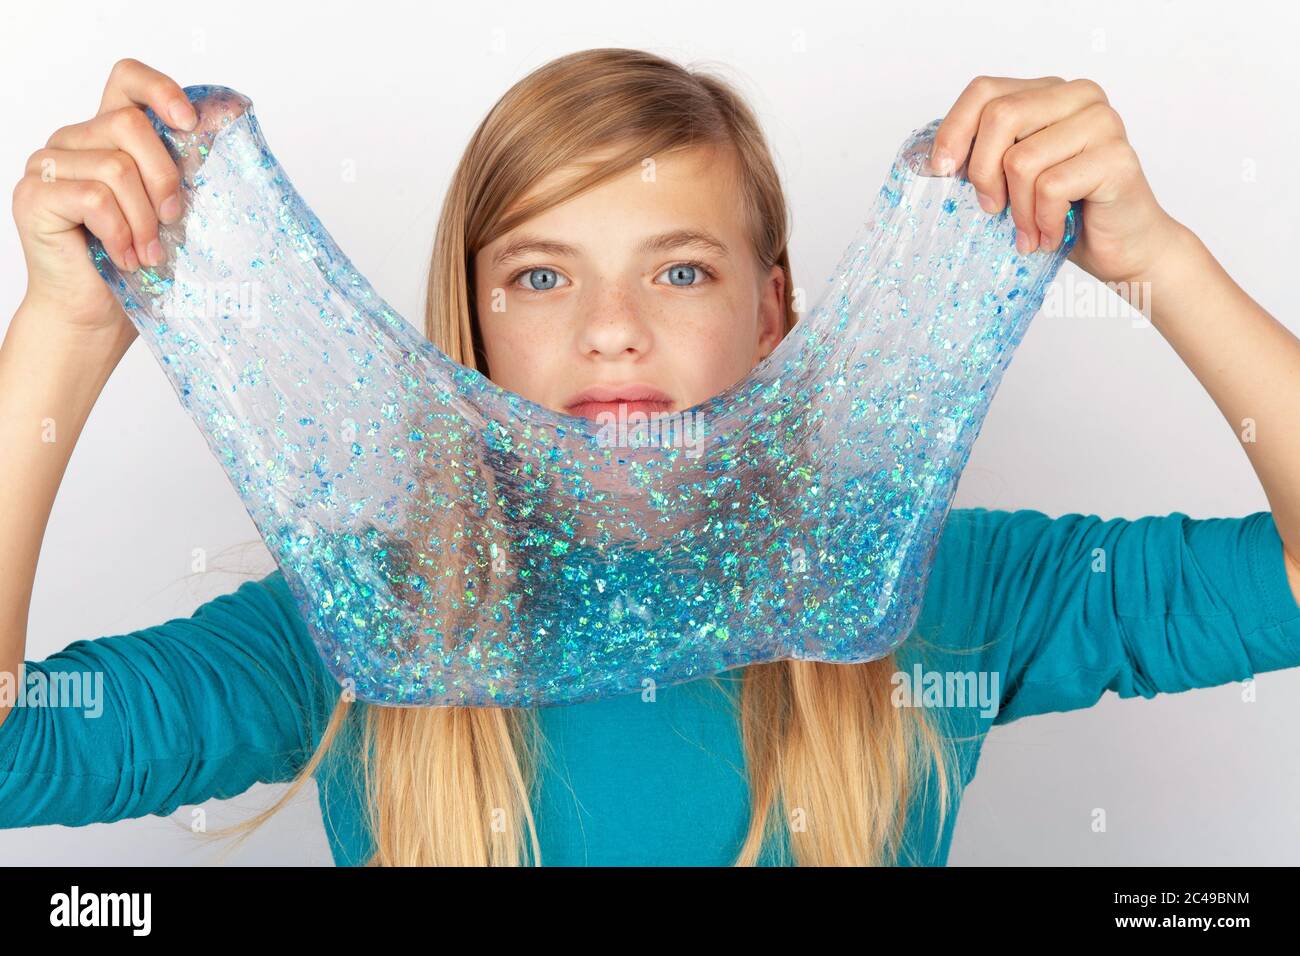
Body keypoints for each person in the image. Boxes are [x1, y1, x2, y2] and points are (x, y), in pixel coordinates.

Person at [3, 50, 1299, 867]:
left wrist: (1160, 262)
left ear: (771, 310)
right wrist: (63, 330)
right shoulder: (360, 625)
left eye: (679, 268)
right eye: (539, 274)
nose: (610, 328)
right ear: (472, 330)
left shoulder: (929, 592)